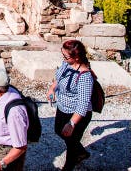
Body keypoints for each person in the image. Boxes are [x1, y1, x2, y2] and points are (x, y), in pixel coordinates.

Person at [47, 39, 94, 171]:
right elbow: (58, 78)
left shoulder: (85, 76)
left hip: (76, 115)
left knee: (72, 142)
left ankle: (68, 166)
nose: (64, 58)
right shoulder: (67, 64)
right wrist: (52, 89)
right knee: (58, 130)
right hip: (63, 108)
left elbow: (83, 105)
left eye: (66, 56)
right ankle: (81, 152)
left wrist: (72, 123)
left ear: (77, 57)